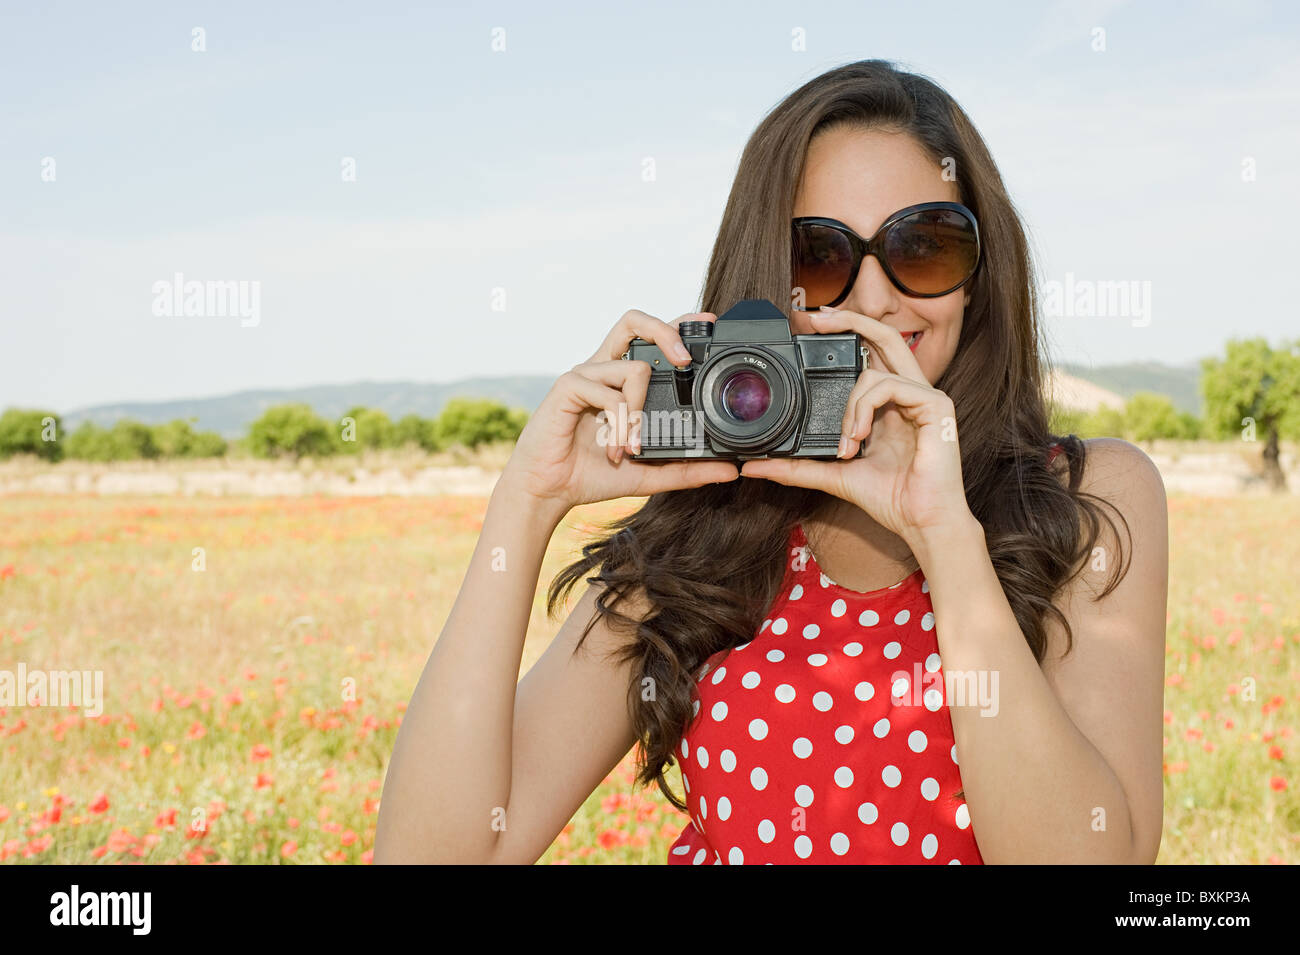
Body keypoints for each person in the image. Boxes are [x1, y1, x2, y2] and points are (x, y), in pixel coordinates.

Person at [374, 59, 1168, 865]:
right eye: (819, 255)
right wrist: (526, 499)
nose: (873, 297)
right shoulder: (707, 529)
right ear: (769, 281)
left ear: (979, 276)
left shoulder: (1083, 498)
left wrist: (946, 538)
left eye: (922, 247)